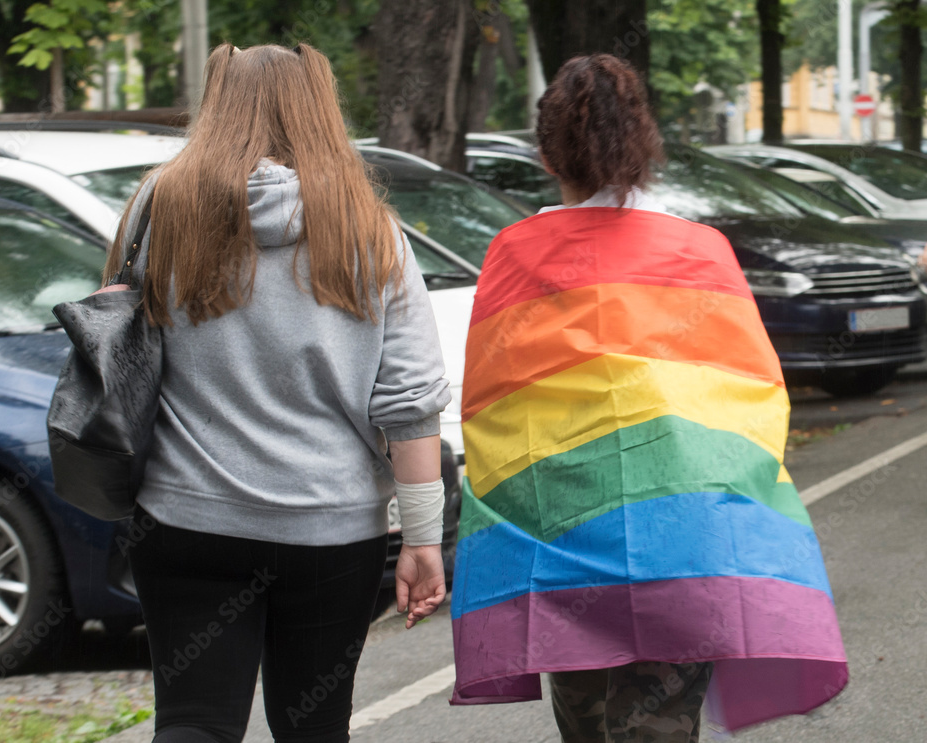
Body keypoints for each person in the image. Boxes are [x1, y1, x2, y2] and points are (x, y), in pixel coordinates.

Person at [450, 54, 848, 742]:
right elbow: (750, 396)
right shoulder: (700, 252)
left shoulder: (514, 255)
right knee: (660, 729)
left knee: (587, 727)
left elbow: (494, 408)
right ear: (642, 147)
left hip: (563, 541)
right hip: (683, 542)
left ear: (547, 156)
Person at [111, 43, 450, 743]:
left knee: (192, 720)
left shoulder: (158, 205)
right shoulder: (371, 228)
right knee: (314, 723)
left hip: (184, 518)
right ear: (318, 110)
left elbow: (119, 342)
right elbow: (412, 402)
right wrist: (422, 537)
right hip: (331, 530)